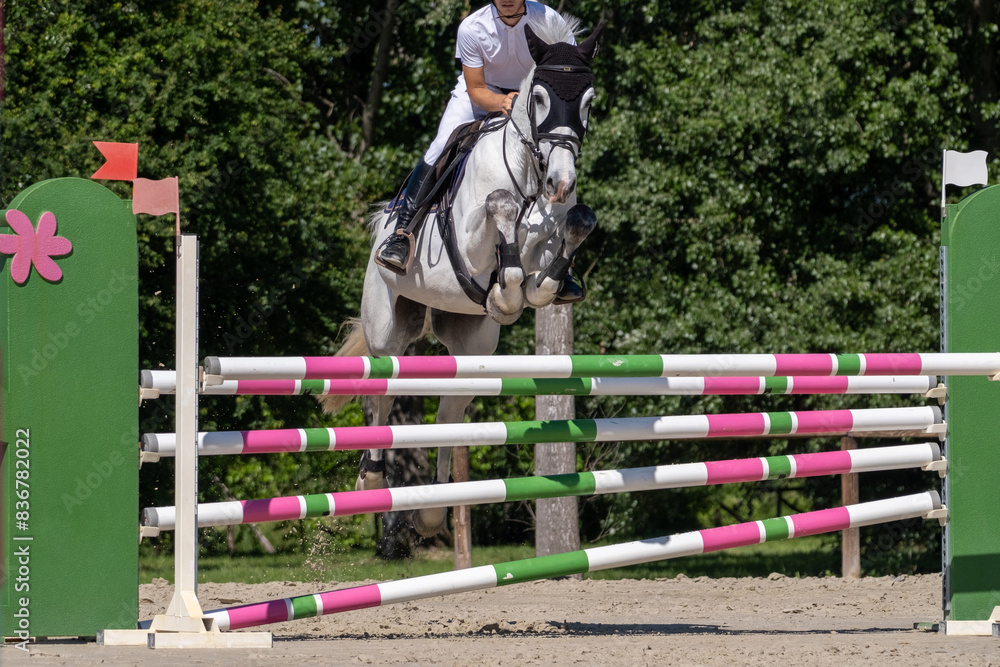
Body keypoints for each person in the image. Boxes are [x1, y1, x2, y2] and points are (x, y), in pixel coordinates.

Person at [375, 0, 575, 276]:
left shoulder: (550, 19)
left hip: (535, 98)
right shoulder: (472, 27)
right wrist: (505, 102)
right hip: (481, 97)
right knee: (440, 146)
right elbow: (477, 89)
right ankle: (402, 233)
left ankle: (564, 259)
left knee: (561, 149)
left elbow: (568, 74)